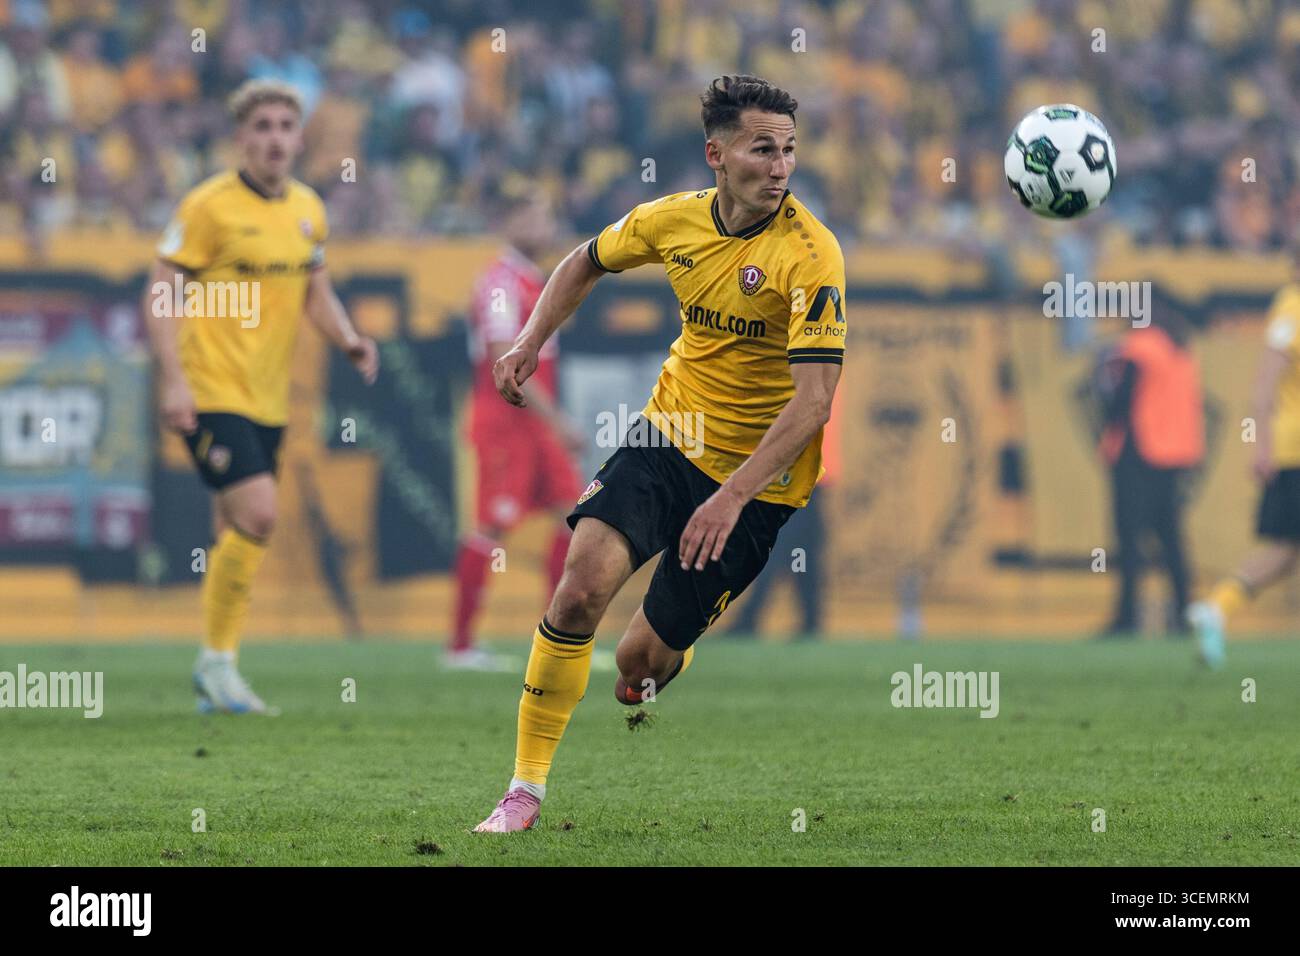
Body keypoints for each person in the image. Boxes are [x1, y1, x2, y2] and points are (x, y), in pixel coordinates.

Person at [474, 74, 846, 832]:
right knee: (579, 591)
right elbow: (584, 260)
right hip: (669, 436)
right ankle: (524, 792)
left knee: (635, 670)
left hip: (760, 483)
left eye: (789, 152)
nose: (779, 167)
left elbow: (814, 404)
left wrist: (733, 494)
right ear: (716, 154)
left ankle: (665, 652)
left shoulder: (812, 257)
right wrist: (528, 340)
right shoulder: (672, 220)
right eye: (762, 149)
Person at [143, 79, 379, 713]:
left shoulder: (307, 208)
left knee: (233, 528)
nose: (274, 138)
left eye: (284, 126)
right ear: (241, 138)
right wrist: (172, 379)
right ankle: (216, 665)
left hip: (268, 400)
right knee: (262, 513)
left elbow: (315, 291)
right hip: (211, 387)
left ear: (300, 139)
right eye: (262, 127)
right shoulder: (208, 206)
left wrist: (350, 338)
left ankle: (218, 672)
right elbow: (160, 291)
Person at [447, 193, 584, 670]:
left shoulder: (536, 281)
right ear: (507, 222)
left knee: (575, 516)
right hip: (506, 424)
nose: (542, 226)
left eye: (546, 216)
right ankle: (460, 647)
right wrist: (558, 420)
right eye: (531, 215)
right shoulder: (500, 284)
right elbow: (505, 361)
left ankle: (558, 643)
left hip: (536, 425)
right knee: (491, 525)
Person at [1189, 263, 1300, 666]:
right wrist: (1261, 446)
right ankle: (1217, 607)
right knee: (1283, 549)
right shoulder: (1291, 308)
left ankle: (1218, 607)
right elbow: (1264, 386)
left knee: (1284, 551)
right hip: (1293, 450)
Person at [1096, 297, 1204, 637]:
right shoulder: (1181, 352)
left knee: (1129, 539)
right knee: (1171, 539)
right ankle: (1184, 615)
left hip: (1138, 453)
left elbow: (1120, 401)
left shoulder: (1139, 347)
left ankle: (1128, 617)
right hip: (1174, 457)